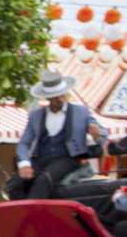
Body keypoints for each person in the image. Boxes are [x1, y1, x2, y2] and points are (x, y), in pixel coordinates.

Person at [8, 72, 104, 200]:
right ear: (47, 98)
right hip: (40, 158)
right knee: (15, 184)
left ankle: (33, 215)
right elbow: (24, 143)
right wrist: (24, 163)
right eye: (54, 97)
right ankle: (19, 213)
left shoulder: (81, 112)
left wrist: (97, 135)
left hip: (68, 158)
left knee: (44, 180)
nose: (59, 99)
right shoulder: (36, 115)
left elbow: (103, 134)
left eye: (61, 95)